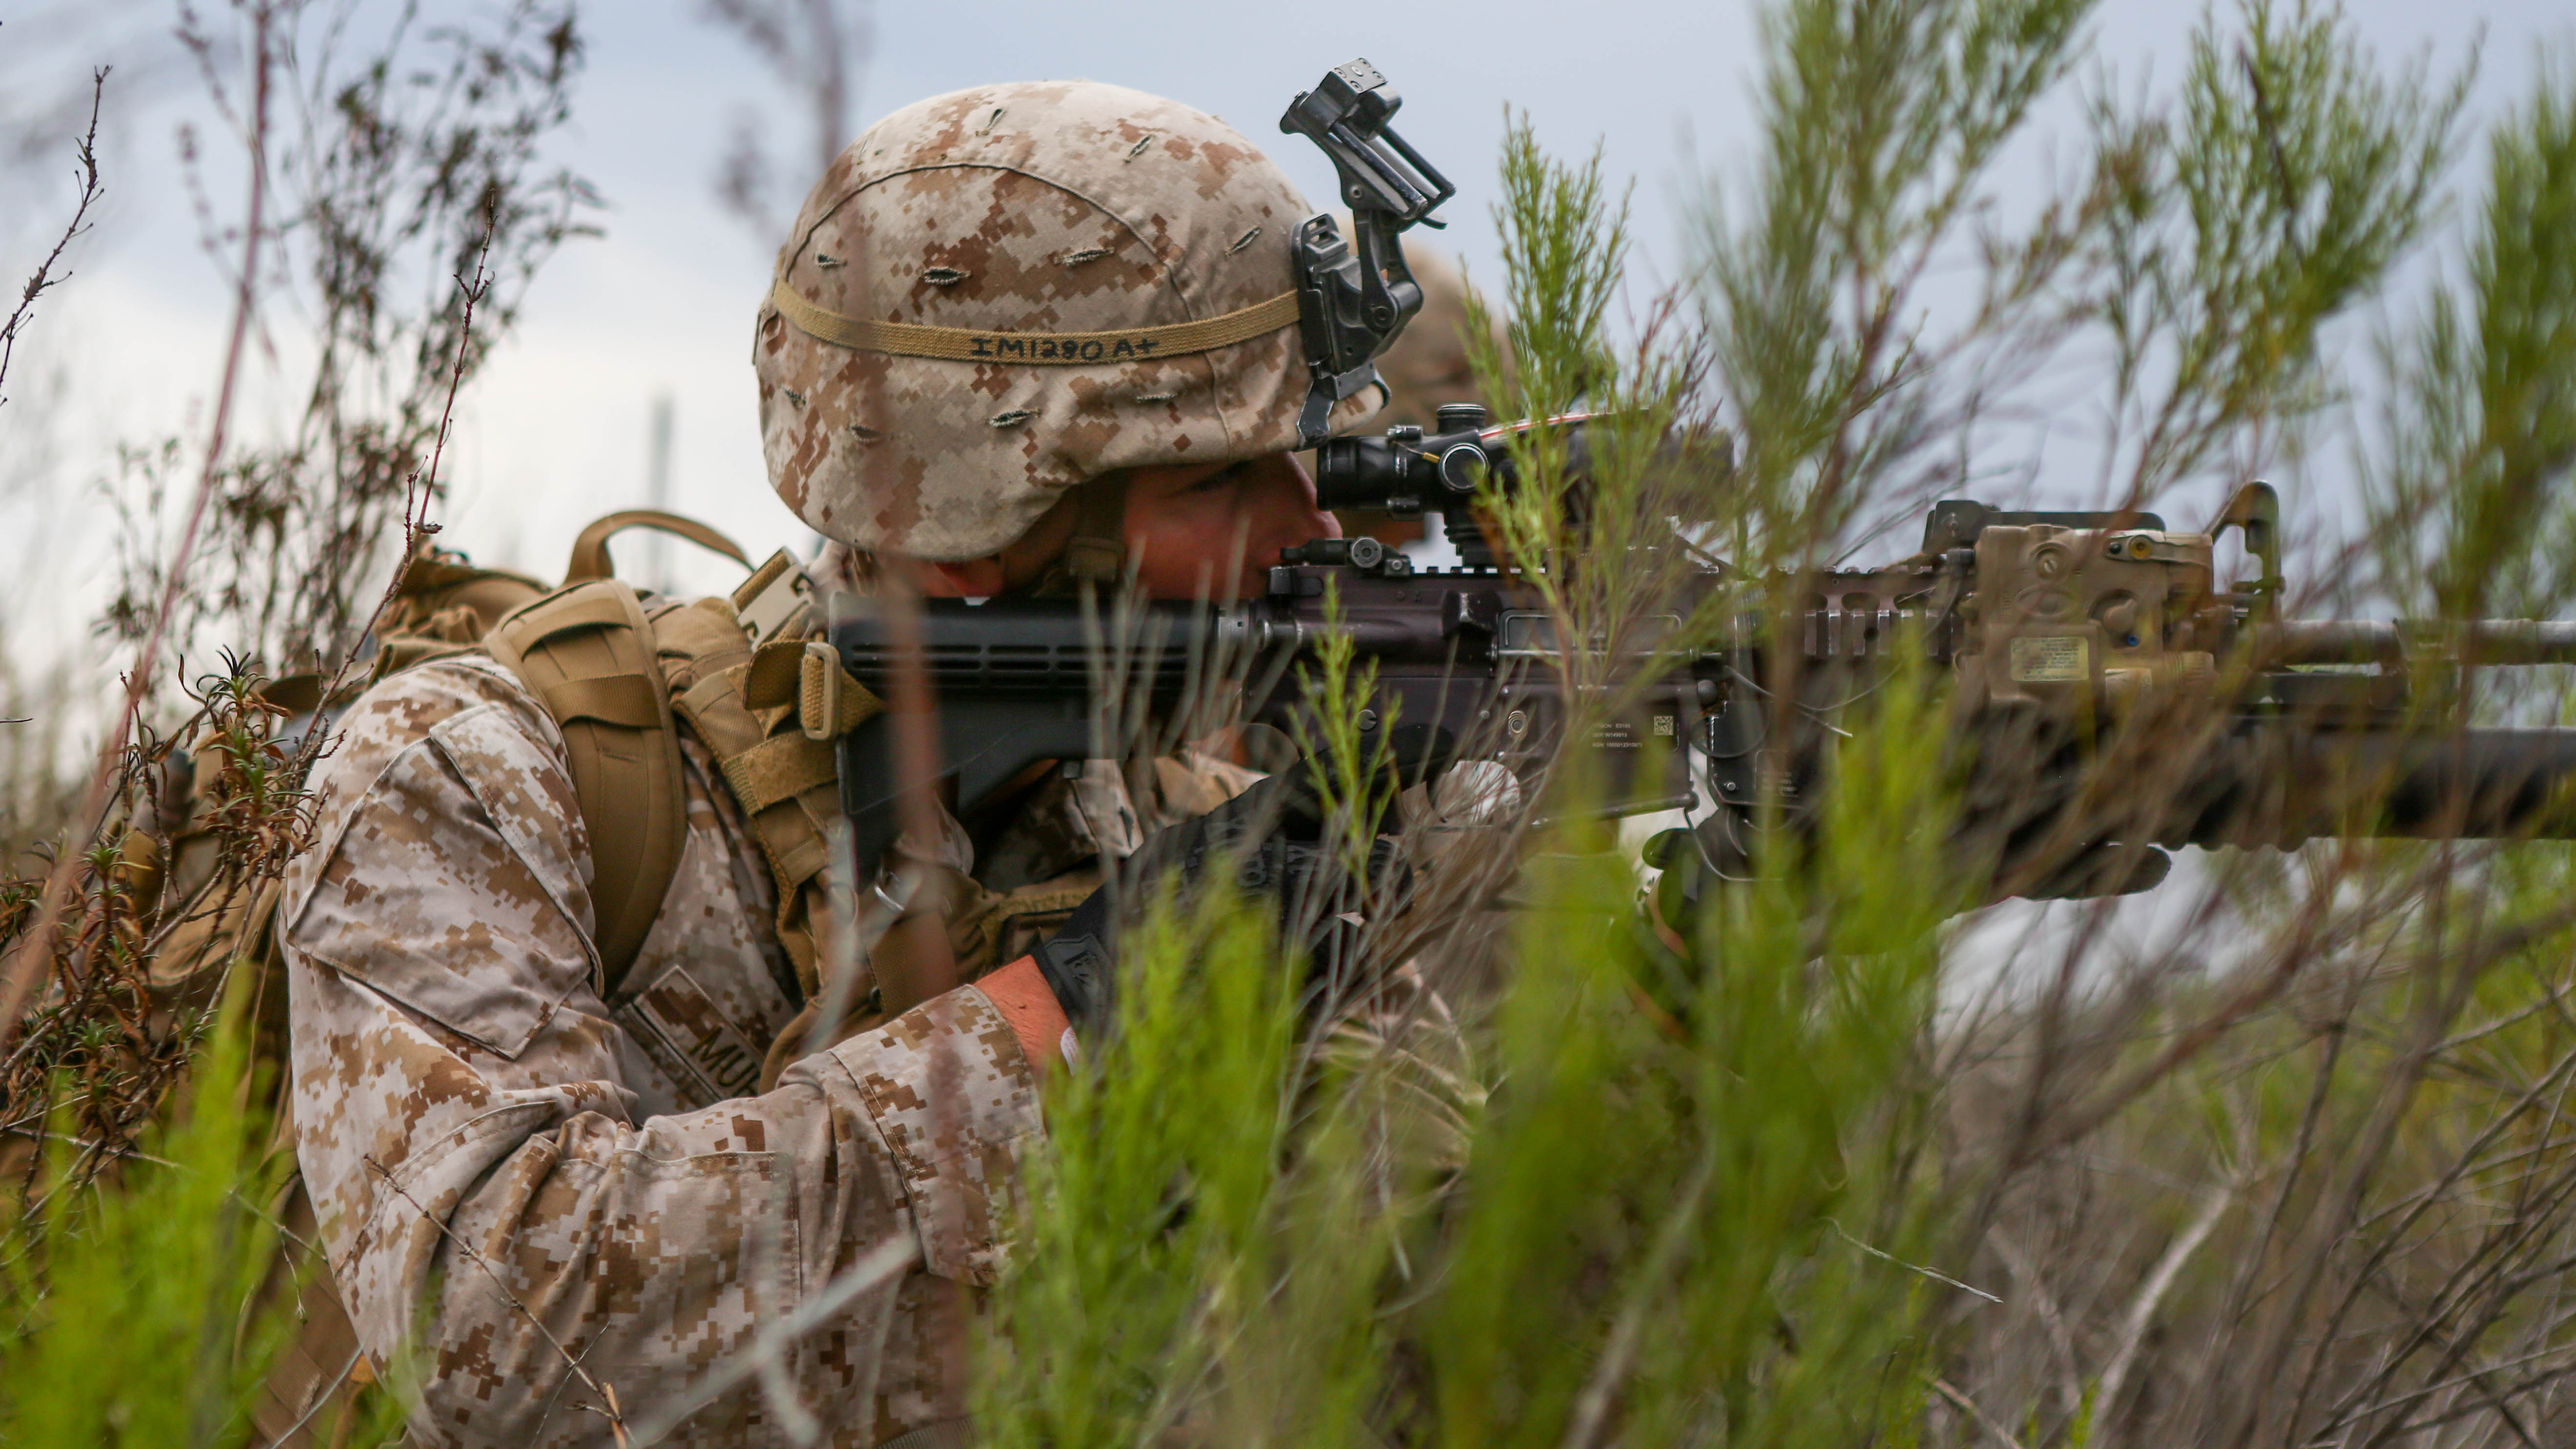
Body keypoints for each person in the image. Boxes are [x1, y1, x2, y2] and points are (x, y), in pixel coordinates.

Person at [277, 78, 1396, 1448]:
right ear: (968, 522)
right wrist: (1072, 1017)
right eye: (1220, 481)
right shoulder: (487, 775)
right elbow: (498, 1340)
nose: (1313, 531)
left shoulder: (1187, 829)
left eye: (1305, 458)